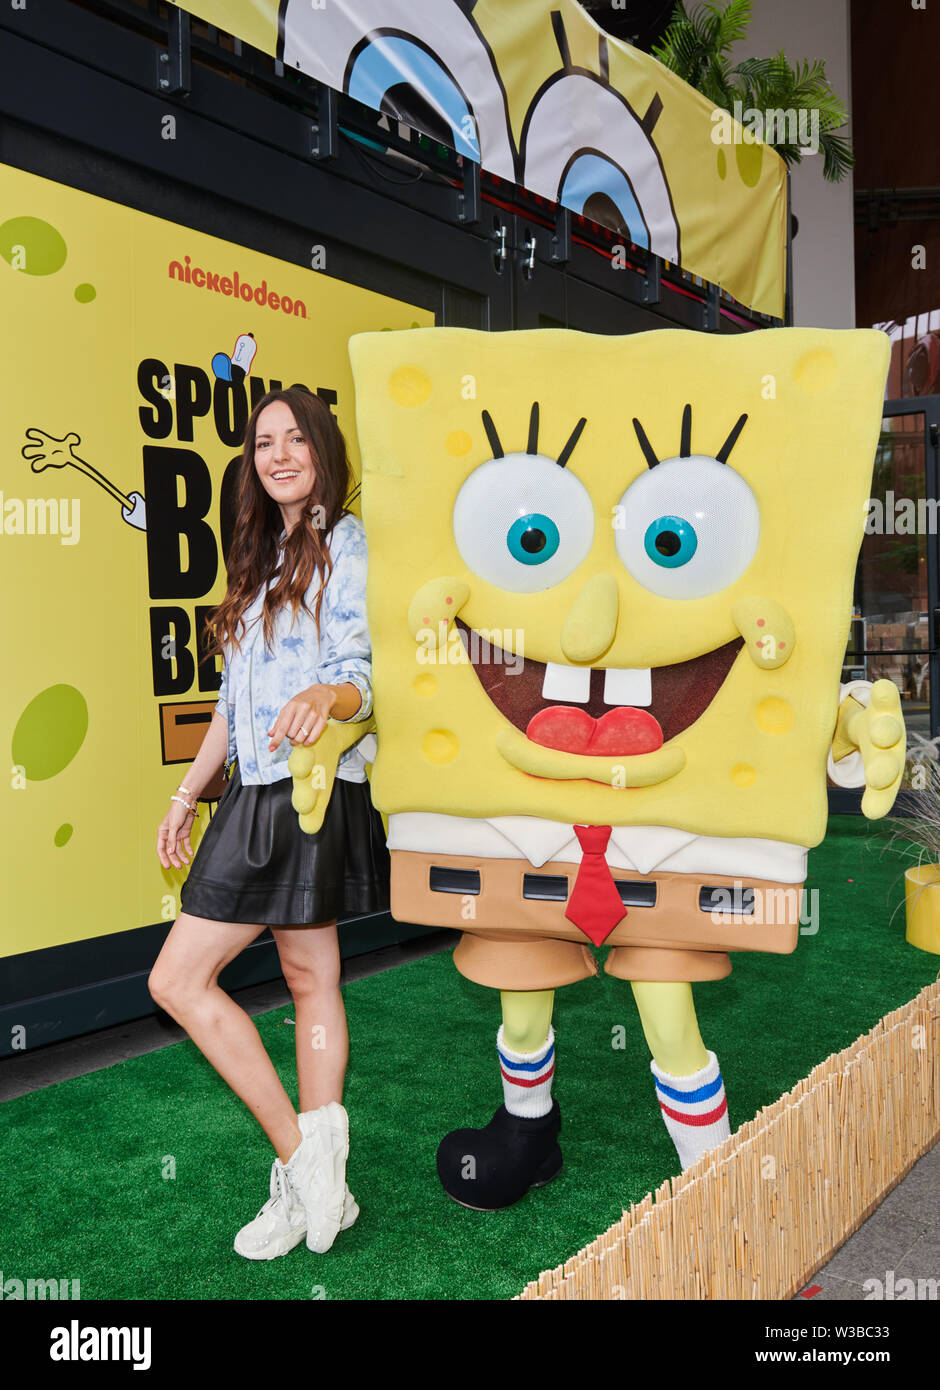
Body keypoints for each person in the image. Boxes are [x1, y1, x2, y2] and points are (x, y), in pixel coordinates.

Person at [150, 385, 389, 1260]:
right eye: (263, 443)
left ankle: (303, 1169)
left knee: (184, 979)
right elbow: (227, 704)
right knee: (304, 972)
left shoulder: (347, 542)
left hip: (311, 787)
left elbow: (364, 671)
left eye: (295, 439)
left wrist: (326, 693)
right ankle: (315, 1170)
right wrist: (185, 796)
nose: (279, 454)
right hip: (255, 790)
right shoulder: (257, 554)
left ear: (323, 450)